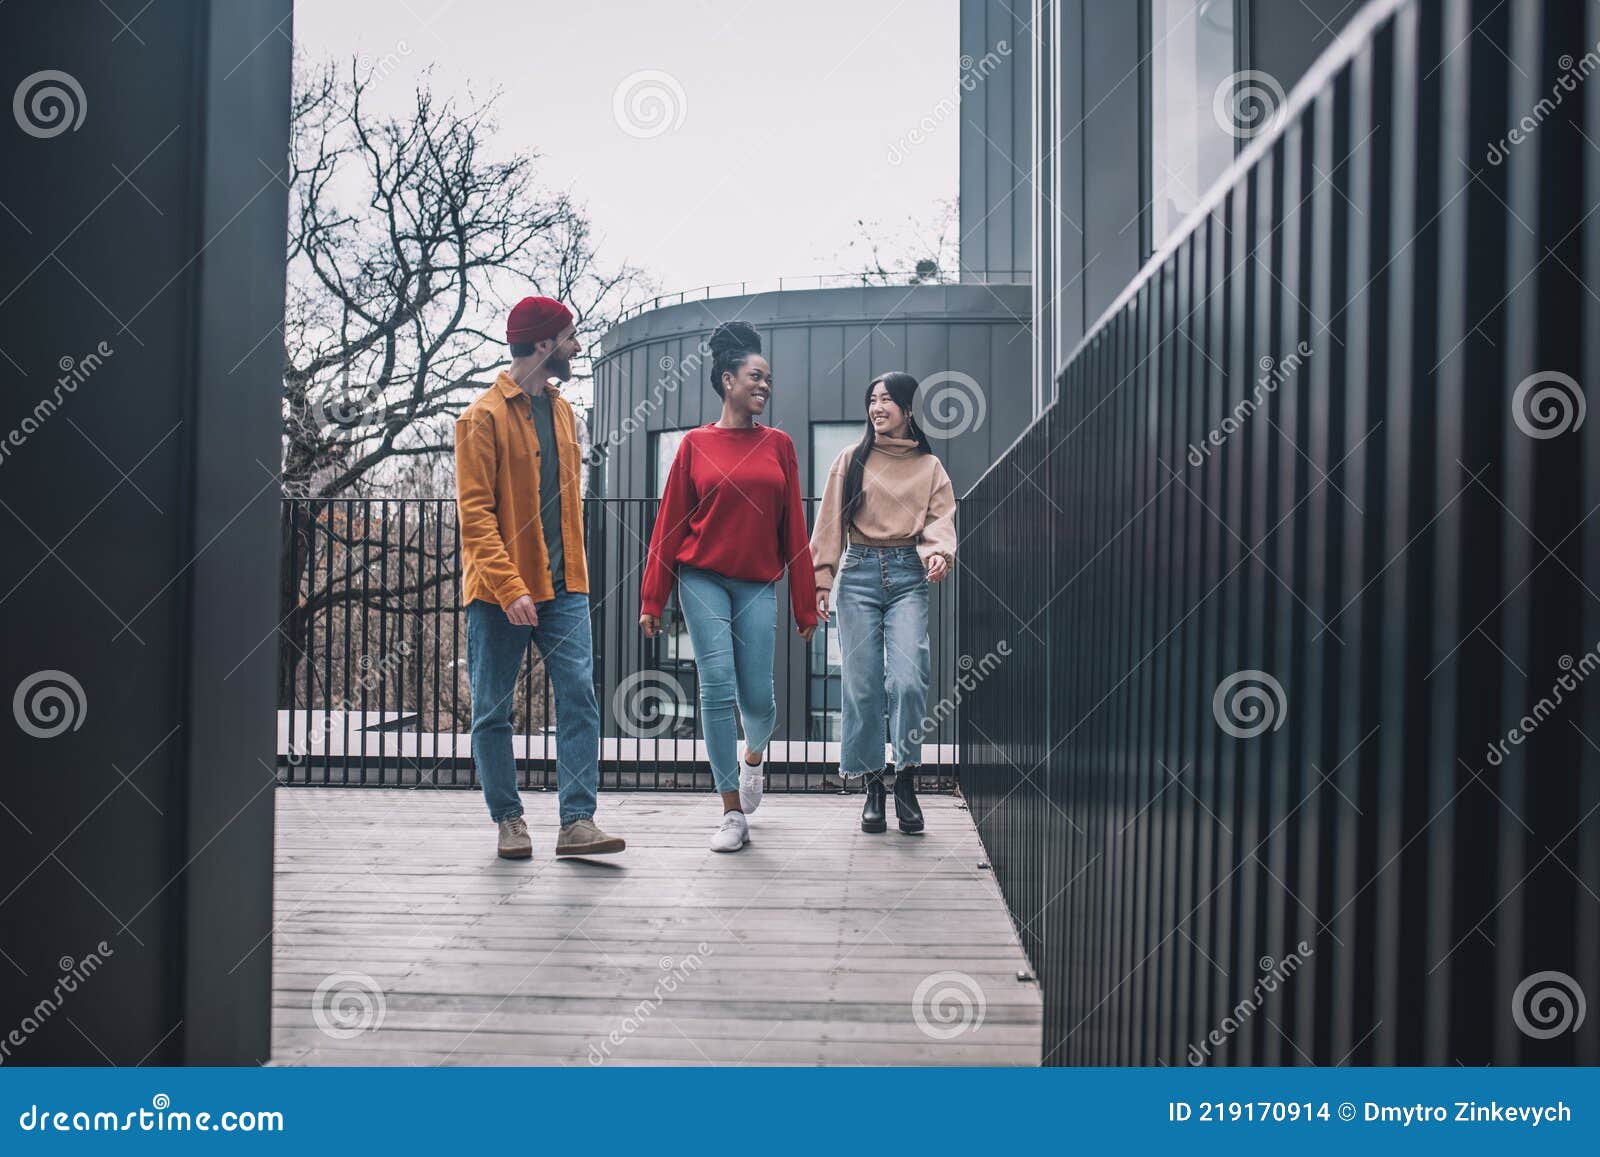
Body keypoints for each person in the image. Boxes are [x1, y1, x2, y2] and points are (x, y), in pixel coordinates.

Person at [455, 296, 625, 860]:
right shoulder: (479, 418)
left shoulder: (562, 412)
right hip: (499, 594)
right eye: (570, 337)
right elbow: (475, 516)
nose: (577, 347)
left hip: (565, 589)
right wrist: (510, 587)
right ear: (544, 343)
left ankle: (577, 823)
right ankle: (509, 820)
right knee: (493, 710)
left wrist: (569, 578)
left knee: (579, 697)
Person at [639, 321, 819, 852]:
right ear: (726, 381)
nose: (764, 386)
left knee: (759, 701)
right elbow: (669, 523)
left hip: (759, 582)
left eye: (769, 379)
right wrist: (653, 597)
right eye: (755, 377)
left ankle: (753, 759)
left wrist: (805, 606)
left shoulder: (779, 445)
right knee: (715, 685)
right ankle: (730, 810)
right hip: (702, 578)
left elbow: (794, 529)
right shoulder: (695, 445)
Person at [810, 372, 955, 834]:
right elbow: (830, 523)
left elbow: (940, 519)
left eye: (887, 400)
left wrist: (938, 554)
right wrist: (821, 579)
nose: (877, 407)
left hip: (908, 576)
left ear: (908, 410)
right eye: (872, 399)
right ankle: (874, 785)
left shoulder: (929, 466)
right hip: (858, 577)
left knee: (909, 680)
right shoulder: (850, 459)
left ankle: (906, 780)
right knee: (863, 685)